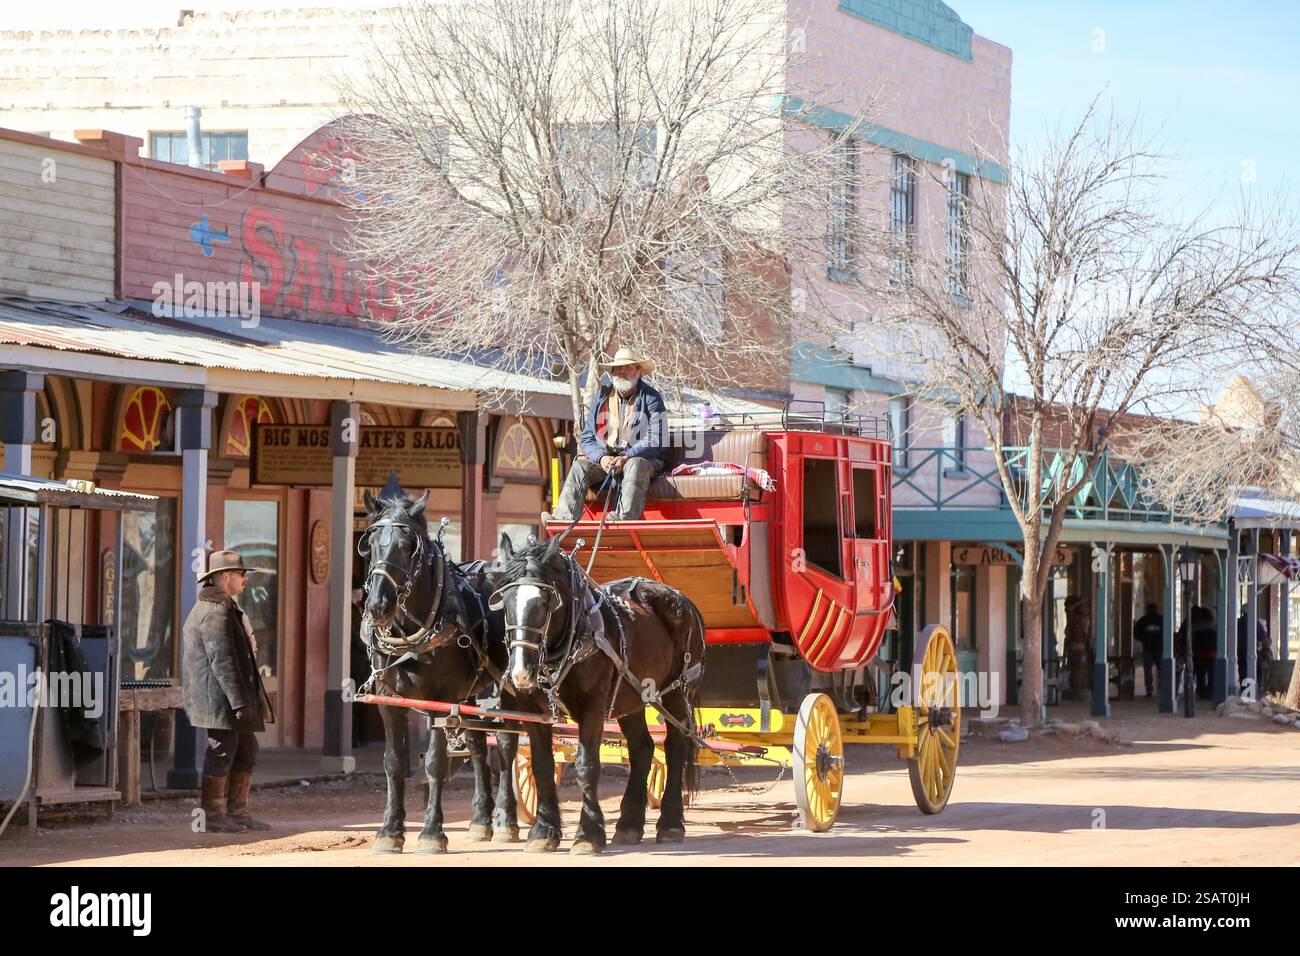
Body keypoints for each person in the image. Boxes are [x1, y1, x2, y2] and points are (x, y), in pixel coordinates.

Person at [180, 549, 275, 833]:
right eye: (242, 574)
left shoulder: (224, 607)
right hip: (219, 698)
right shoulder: (215, 611)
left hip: (227, 697)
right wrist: (239, 701)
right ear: (225, 577)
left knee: (246, 748)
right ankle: (212, 814)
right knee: (221, 750)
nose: (246, 579)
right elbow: (222, 661)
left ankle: (237, 811)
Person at [551, 346, 667, 522]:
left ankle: (623, 518)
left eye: (628, 367)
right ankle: (563, 520)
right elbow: (587, 438)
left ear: (638, 371)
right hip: (608, 461)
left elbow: (656, 438)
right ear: (612, 372)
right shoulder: (601, 397)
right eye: (618, 368)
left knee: (635, 465)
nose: (622, 372)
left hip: (641, 461)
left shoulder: (651, 398)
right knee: (580, 466)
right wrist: (601, 457)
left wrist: (627, 456)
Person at [1132, 603, 1163, 698]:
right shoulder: (1161, 619)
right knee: (1161, 670)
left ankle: (1149, 690)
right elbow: (1168, 631)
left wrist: (1144, 639)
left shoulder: (1143, 620)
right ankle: (1161, 689)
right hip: (1160, 648)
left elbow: (1136, 633)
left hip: (1148, 648)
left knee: (1148, 671)